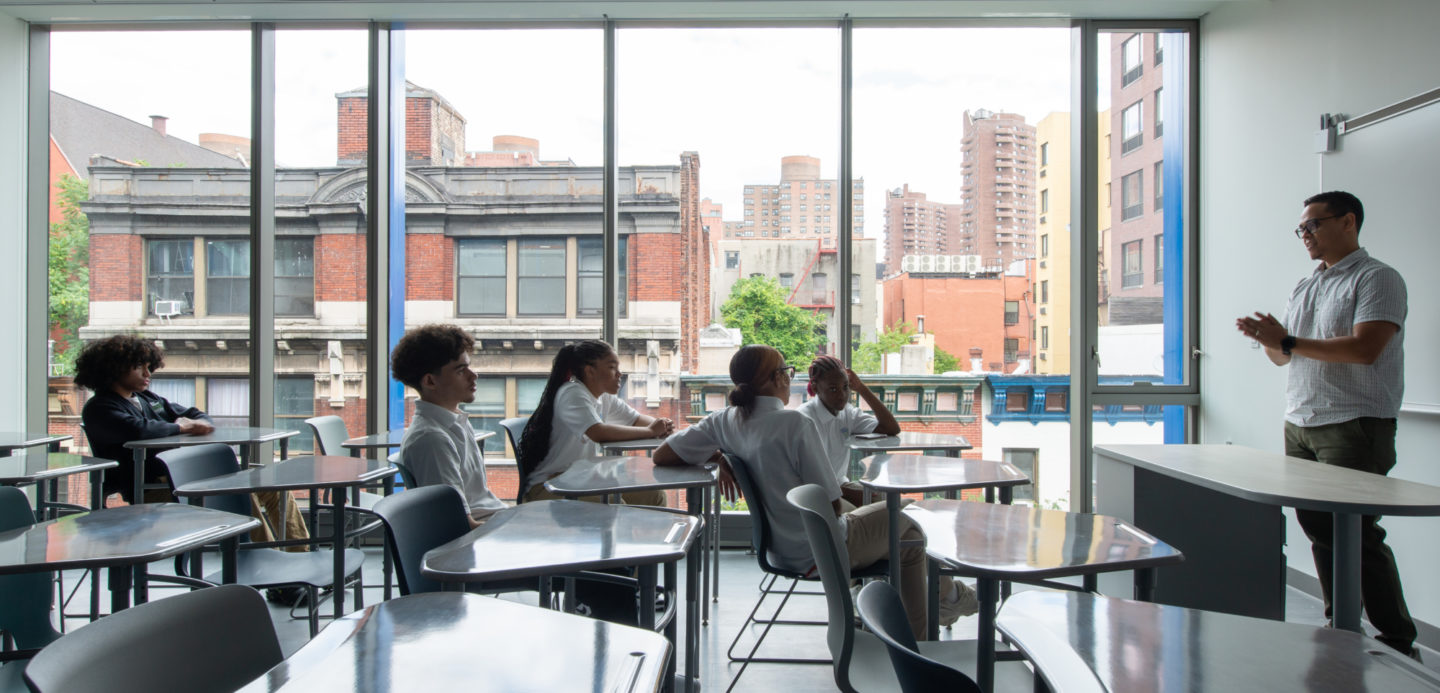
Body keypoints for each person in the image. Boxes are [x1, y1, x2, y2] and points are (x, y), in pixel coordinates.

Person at [653, 344, 975, 640]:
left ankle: (918, 616)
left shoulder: (723, 421)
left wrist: (720, 457)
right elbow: (832, 506)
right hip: (821, 549)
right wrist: (722, 459)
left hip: (779, 549)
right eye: (786, 371)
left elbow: (662, 455)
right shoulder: (795, 424)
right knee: (910, 523)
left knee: (899, 536)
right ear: (778, 378)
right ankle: (923, 632)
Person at [1235, 190, 1417, 659]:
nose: (1305, 235)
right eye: (1301, 228)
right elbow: (1284, 358)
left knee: (1358, 533)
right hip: (1301, 421)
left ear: (1348, 222)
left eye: (1313, 225)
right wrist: (1270, 340)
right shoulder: (1305, 285)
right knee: (1319, 528)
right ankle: (1341, 626)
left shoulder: (1377, 278)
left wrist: (1288, 340)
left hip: (1354, 423)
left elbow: (1364, 349)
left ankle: (1398, 641)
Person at [77, 335, 312, 575]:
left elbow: (195, 414)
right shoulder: (99, 408)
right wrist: (181, 427)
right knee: (240, 496)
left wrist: (195, 423)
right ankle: (270, 571)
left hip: (191, 480)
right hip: (154, 489)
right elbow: (139, 430)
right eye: (139, 367)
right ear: (114, 368)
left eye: (149, 366)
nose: (148, 373)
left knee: (273, 487)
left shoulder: (148, 398)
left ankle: (299, 563)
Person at [518, 339, 672, 505]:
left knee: (654, 495)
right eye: (612, 367)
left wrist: (663, 426)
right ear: (590, 371)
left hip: (580, 478)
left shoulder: (604, 397)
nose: (619, 374)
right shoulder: (572, 393)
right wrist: (651, 431)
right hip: (548, 485)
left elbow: (636, 420)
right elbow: (597, 432)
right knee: (613, 504)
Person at [391, 325, 506, 528]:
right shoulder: (432, 440)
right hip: (481, 537)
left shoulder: (455, 421)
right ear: (430, 381)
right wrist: (518, 529)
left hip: (494, 522)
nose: (473, 375)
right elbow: (457, 525)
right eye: (461, 370)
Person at [798, 355, 900, 508]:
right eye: (833, 389)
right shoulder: (805, 419)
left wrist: (861, 388)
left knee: (890, 500)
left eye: (845, 387)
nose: (842, 395)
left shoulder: (847, 413)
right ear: (815, 387)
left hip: (840, 485)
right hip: (816, 494)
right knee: (878, 510)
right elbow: (808, 476)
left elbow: (891, 428)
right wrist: (847, 493)